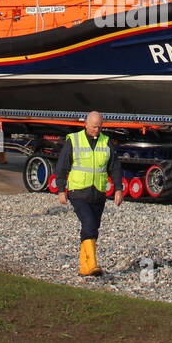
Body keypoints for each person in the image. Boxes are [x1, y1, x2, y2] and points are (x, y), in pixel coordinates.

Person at [56, 111, 124, 277]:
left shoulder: (106, 142)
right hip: (78, 192)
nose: (97, 130)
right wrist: (60, 190)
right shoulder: (73, 140)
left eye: (99, 127)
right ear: (86, 124)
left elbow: (114, 167)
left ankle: (84, 267)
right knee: (89, 224)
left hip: (98, 192)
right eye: (94, 126)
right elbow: (62, 166)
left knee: (93, 228)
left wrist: (118, 189)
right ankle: (92, 264)